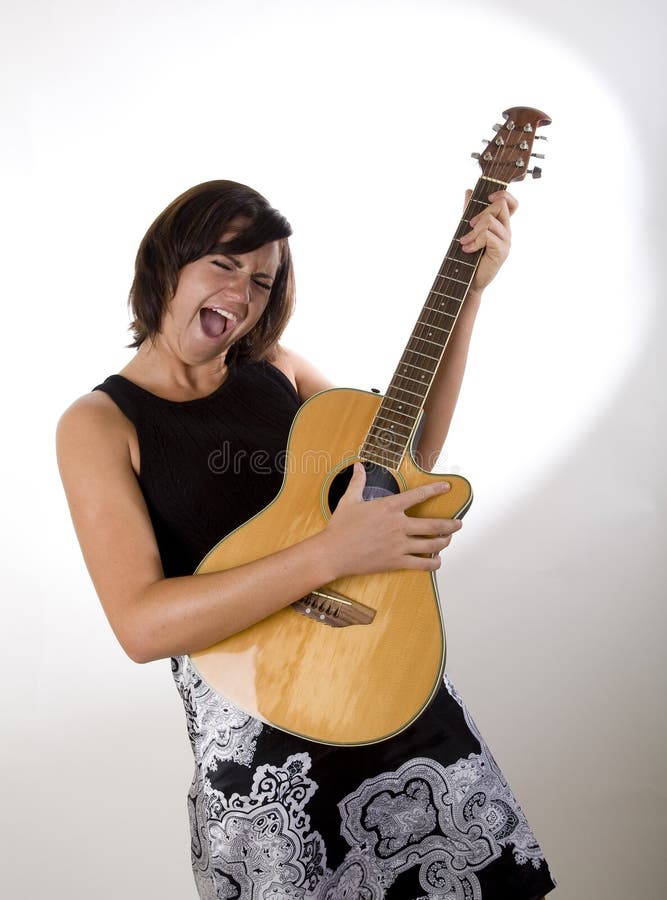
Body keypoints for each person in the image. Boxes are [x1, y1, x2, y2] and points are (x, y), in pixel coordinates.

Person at [57, 180, 556, 899]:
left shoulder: (277, 370)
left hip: (386, 679)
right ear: (168, 262)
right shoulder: (99, 424)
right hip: (258, 730)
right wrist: (335, 552)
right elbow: (140, 625)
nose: (245, 293)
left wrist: (468, 295)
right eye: (225, 265)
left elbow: (396, 460)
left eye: (263, 280)